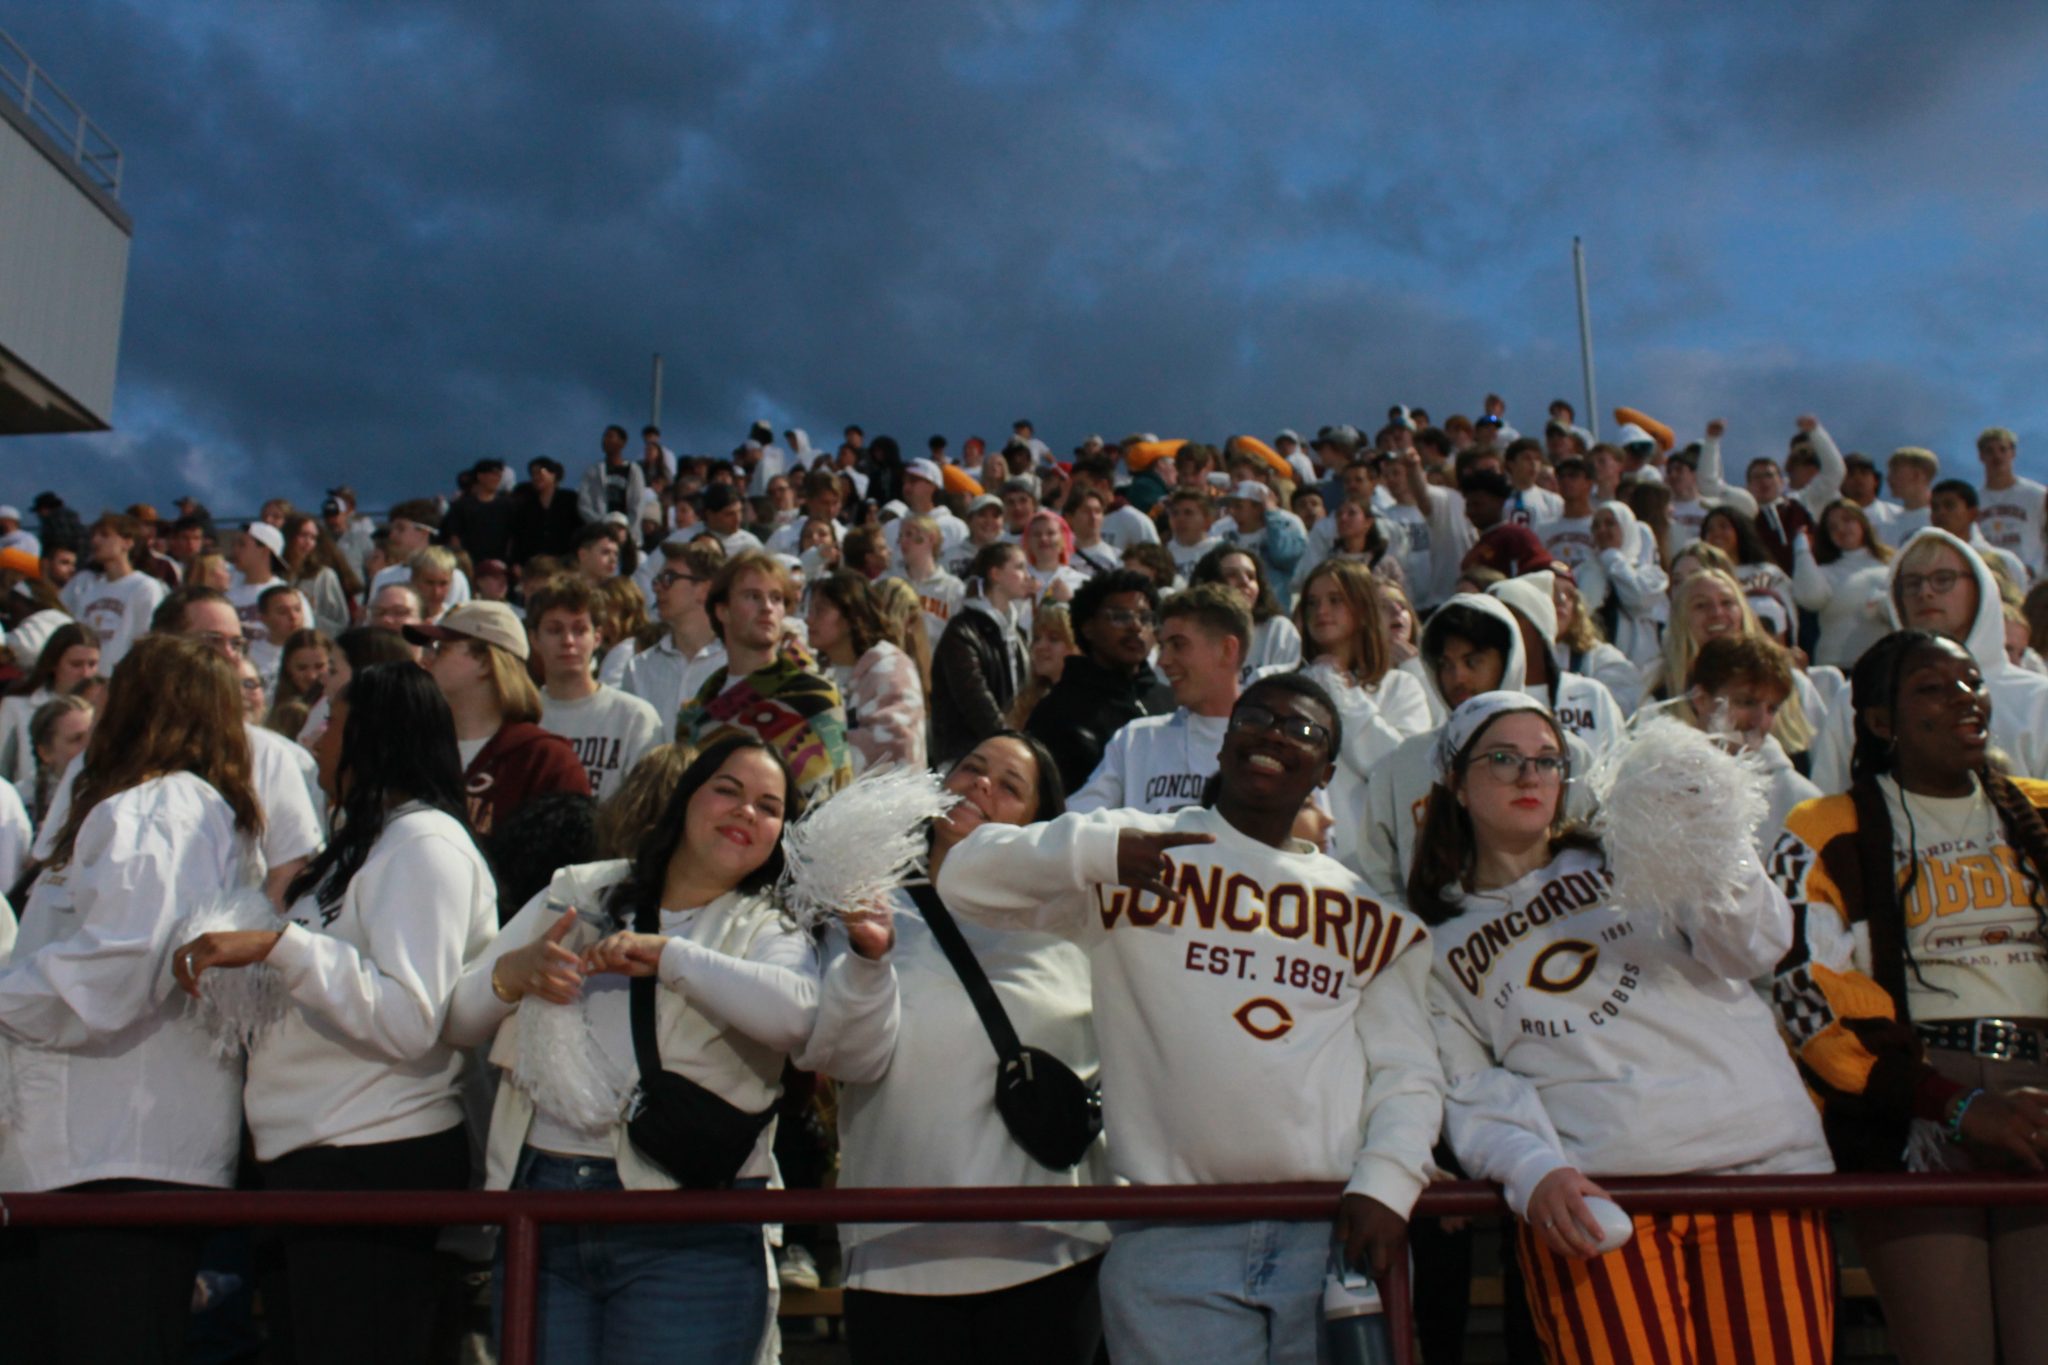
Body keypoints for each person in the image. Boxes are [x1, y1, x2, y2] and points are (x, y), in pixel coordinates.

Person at [936, 674, 1442, 1365]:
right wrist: (1093, 854)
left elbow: (1408, 1071)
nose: (1274, 735)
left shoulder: (1369, 913)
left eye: (1302, 730)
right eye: (1256, 717)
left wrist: (1387, 1183)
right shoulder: (1135, 847)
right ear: (1224, 741)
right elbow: (964, 875)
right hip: (1170, 1232)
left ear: (1326, 771)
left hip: (1328, 1230)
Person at [1424, 689, 1836, 1360]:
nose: (1530, 776)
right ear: (1456, 782)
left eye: (1547, 759)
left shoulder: (1628, 848)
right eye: (1502, 758)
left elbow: (1758, 946)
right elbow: (1471, 1085)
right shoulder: (1436, 940)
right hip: (1598, 1195)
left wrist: (1712, 834)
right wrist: (1532, 1168)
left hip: (1757, 1168)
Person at [445, 735, 819, 1364]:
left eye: (769, 806)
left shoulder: (772, 925)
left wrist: (669, 956)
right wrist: (512, 973)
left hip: (689, 1224)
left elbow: (796, 1017)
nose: (745, 812)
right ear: (686, 799)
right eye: (727, 790)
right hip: (544, 1205)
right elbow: (458, 1019)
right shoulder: (581, 889)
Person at [173, 662, 497, 1364]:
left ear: (373, 738)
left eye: (331, 724)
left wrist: (280, 947)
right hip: (312, 1157)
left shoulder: (426, 845)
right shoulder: (365, 842)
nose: (315, 739)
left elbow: (411, 1017)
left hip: (374, 1158)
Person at [1770, 629, 2048, 1364]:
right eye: (1933, 687)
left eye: (1971, 682)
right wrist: (1948, 1102)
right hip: (1910, 1108)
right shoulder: (1822, 828)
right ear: (1879, 720)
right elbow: (1804, 994)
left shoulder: (2042, 811)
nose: (1966, 699)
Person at [797, 732, 1107, 1364]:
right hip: (895, 1254)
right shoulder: (865, 906)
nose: (981, 784)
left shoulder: (1075, 921)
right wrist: (867, 958)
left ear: (1039, 825)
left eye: (1010, 786)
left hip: (1054, 1251)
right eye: (971, 768)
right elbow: (844, 1058)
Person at [0, 635, 264, 1362]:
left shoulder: (162, 809)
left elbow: (116, 972)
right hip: (86, 1155)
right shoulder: (156, 806)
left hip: (117, 1154)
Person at [1809, 529, 2048, 792]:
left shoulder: (2037, 699)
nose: (1924, 592)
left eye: (1943, 579)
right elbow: (1828, 793)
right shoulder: (1860, 696)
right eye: (1912, 583)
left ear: (1980, 588)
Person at [677, 552, 851, 802]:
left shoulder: (814, 695)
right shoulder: (698, 709)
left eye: (776, 598)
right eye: (753, 596)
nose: (767, 607)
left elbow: (830, 799)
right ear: (723, 611)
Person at [408, 600, 590, 837]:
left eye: (441, 649)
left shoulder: (544, 760)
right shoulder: (415, 747)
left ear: (485, 662)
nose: (426, 660)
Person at [1068, 586, 1246, 815]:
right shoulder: (1137, 738)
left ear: (1227, 650)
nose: (1163, 661)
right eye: (1162, 646)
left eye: (1178, 645)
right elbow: (1077, 819)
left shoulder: (1269, 744)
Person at [1024, 570, 1174, 795]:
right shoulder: (1057, 711)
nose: (1136, 626)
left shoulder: (1173, 701)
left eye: (1145, 618)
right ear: (1088, 628)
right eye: (1120, 617)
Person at [523, 575, 663, 803]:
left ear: (597, 637)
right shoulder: (523, 717)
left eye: (580, 630)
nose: (568, 641)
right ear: (534, 639)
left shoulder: (635, 717)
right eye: (554, 630)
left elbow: (647, 807)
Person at [806, 570, 927, 773]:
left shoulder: (891, 669)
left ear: (850, 617)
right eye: (809, 610)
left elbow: (894, 745)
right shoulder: (812, 671)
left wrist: (807, 755)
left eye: (820, 610)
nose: (808, 620)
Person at [930, 542, 1034, 768]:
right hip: (964, 759)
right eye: (1019, 567)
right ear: (995, 574)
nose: (1027, 576)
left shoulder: (1018, 633)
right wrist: (1009, 744)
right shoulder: (962, 632)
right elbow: (975, 702)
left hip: (1004, 754)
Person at [621, 539, 729, 741]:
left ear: (704, 590)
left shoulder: (736, 665)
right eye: (657, 579)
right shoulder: (638, 669)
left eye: (669, 578)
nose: (657, 588)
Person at [1793, 500, 1895, 669]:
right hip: (1836, 667)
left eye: (1847, 520)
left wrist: (1883, 603)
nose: (1841, 529)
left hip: (1883, 665)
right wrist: (1802, 550)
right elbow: (1810, 599)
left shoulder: (1891, 563)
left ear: (1862, 522)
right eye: (1833, 528)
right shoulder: (1824, 571)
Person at [59, 512, 166, 674]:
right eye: (94, 535)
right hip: (89, 678)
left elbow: (149, 638)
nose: (95, 541)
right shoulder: (89, 587)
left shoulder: (144, 587)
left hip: (123, 678)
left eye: (105, 535)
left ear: (127, 542)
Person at [0, 623, 99, 787]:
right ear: (53, 664)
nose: (86, 673)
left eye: (92, 664)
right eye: (76, 664)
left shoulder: (102, 709)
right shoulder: (16, 707)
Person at [1190, 545, 1300, 682]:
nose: (1245, 582)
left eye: (1251, 576)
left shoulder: (1278, 630)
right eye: (1231, 575)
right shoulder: (1194, 637)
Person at [16, 694, 94, 831]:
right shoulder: (20, 801)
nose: (89, 746)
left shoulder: (115, 797)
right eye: (77, 739)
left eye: (93, 736)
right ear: (45, 752)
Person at [1975, 426, 2045, 577]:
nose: (1997, 456)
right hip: (1991, 579)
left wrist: (2036, 569)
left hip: (2032, 581)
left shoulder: (2037, 495)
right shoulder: (1974, 501)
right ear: (1981, 456)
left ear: (2013, 453)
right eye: (1990, 451)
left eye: (2003, 449)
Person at [279, 512, 358, 638]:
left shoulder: (324, 576)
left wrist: (306, 616)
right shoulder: (274, 575)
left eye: (313, 538)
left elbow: (340, 623)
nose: (308, 542)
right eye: (303, 535)